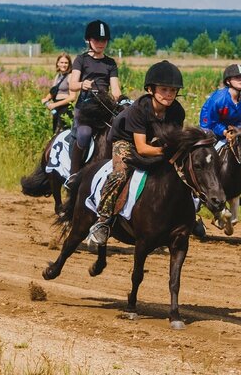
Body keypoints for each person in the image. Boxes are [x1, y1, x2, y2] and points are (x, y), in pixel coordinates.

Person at [86, 60, 185, 251]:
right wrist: (167, 152)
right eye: (164, 89)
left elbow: (172, 140)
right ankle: (103, 221)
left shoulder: (177, 111)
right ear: (150, 89)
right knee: (120, 174)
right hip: (126, 142)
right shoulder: (140, 109)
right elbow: (141, 149)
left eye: (173, 90)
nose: (169, 94)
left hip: (155, 143)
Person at [199, 63, 241, 205]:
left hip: (233, 132)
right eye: (237, 77)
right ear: (228, 81)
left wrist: (236, 132)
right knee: (205, 157)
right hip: (210, 128)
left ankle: (237, 191)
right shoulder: (218, 99)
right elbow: (211, 122)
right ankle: (199, 195)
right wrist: (224, 131)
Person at [67, 20, 122, 174]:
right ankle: (74, 173)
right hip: (86, 108)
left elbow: (115, 89)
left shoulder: (110, 63)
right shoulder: (81, 59)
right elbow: (72, 84)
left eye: (104, 40)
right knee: (84, 134)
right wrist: (82, 84)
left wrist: (120, 99)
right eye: (97, 40)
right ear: (89, 40)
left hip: (104, 107)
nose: (101, 43)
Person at [42, 52, 74, 133]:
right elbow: (53, 92)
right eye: (61, 62)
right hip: (56, 109)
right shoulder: (58, 76)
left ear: (69, 64)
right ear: (57, 63)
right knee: (55, 132)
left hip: (65, 109)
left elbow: (72, 97)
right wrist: (46, 99)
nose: (64, 65)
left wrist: (54, 105)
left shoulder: (70, 76)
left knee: (63, 133)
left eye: (66, 63)